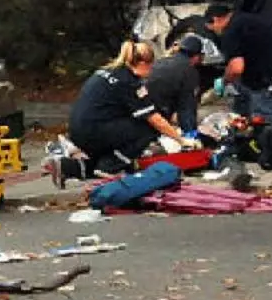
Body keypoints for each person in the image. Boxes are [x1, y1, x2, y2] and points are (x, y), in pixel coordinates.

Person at [42, 41, 202, 189]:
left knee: (110, 149)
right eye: (150, 66)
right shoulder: (130, 82)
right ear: (142, 63)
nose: (151, 71)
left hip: (78, 129)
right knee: (148, 130)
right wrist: (182, 140)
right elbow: (155, 119)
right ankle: (109, 167)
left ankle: (67, 167)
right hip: (95, 130)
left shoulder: (107, 70)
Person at [217, 6, 272, 124]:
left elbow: (236, 68)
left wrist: (224, 81)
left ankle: (269, 137)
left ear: (216, 20)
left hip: (269, 80)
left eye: (212, 28)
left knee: (268, 121)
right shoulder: (249, 19)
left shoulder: (231, 31)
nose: (215, 32)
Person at [146, 34, 204, 134]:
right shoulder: (189, 71)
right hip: (157, 114)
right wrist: (191, 135)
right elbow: (186, 108)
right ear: (196, 56)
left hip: (141, 108)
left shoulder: (161, 61)